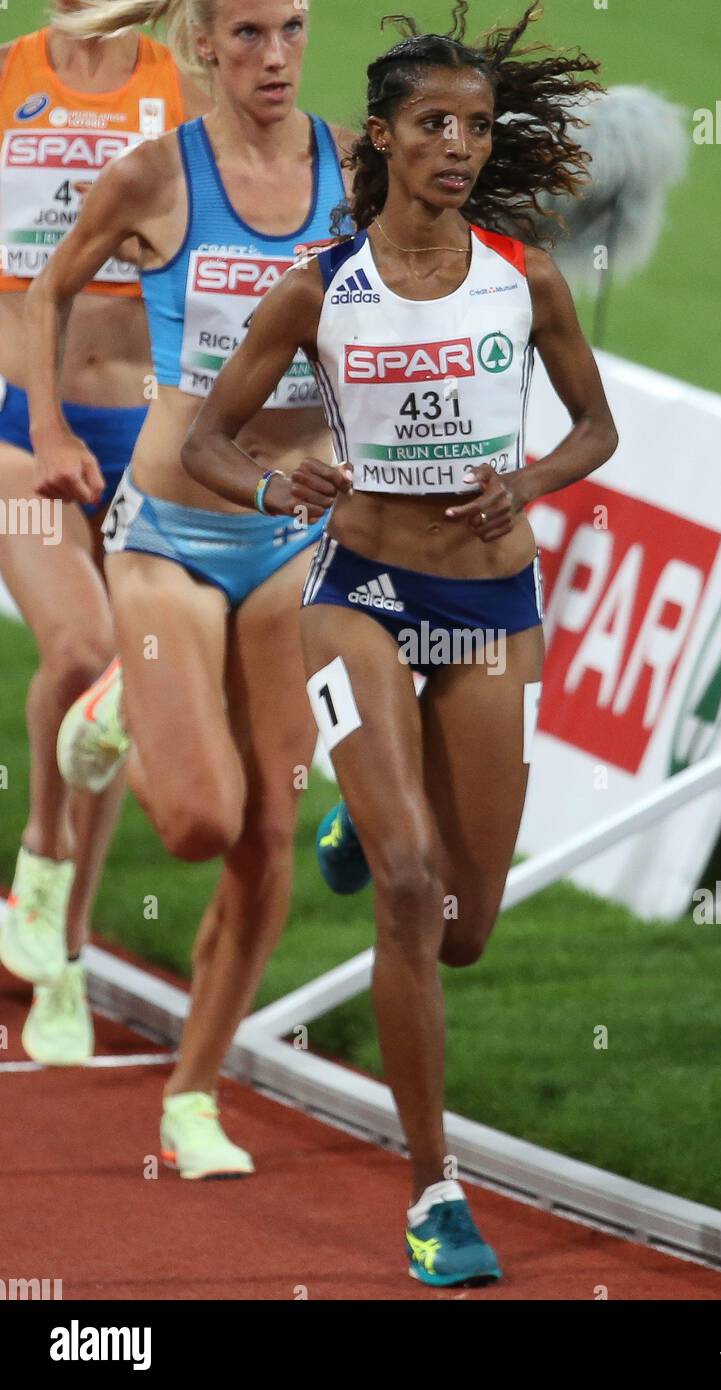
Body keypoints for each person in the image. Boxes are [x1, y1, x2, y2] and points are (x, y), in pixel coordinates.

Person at [181, 4, 618, 1283]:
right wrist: (272, 491)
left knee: (467, 925)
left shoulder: (520, 275)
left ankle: (360, 817)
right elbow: (212, 435)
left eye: (476, 128)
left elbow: (596, 430)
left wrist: (528, 480)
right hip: (358, 591)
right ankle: (434, 1193)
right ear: (379, 137)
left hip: (490, 611)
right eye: (434, 125)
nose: (460, 147)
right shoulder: (320, 288)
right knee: (410, 882)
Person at [27, 0, 357, 1177]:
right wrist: (54, 425)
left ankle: (192, 1094)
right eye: (251, 34)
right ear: (206, 46)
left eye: (295, 31)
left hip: (291, 537)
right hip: (168, 530)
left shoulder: (354, 174)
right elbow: (46, 288)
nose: (275, 58)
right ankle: (110, 704)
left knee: (269, 829)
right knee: (199, 822)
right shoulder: (154, 176)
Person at [0, 0, 207, 1064]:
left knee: (117, 687)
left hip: (144, 424)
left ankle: (65, 947)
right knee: (80, 649)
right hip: (12, 419)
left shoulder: (179, 85)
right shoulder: (8, 76)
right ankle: (39, 859)